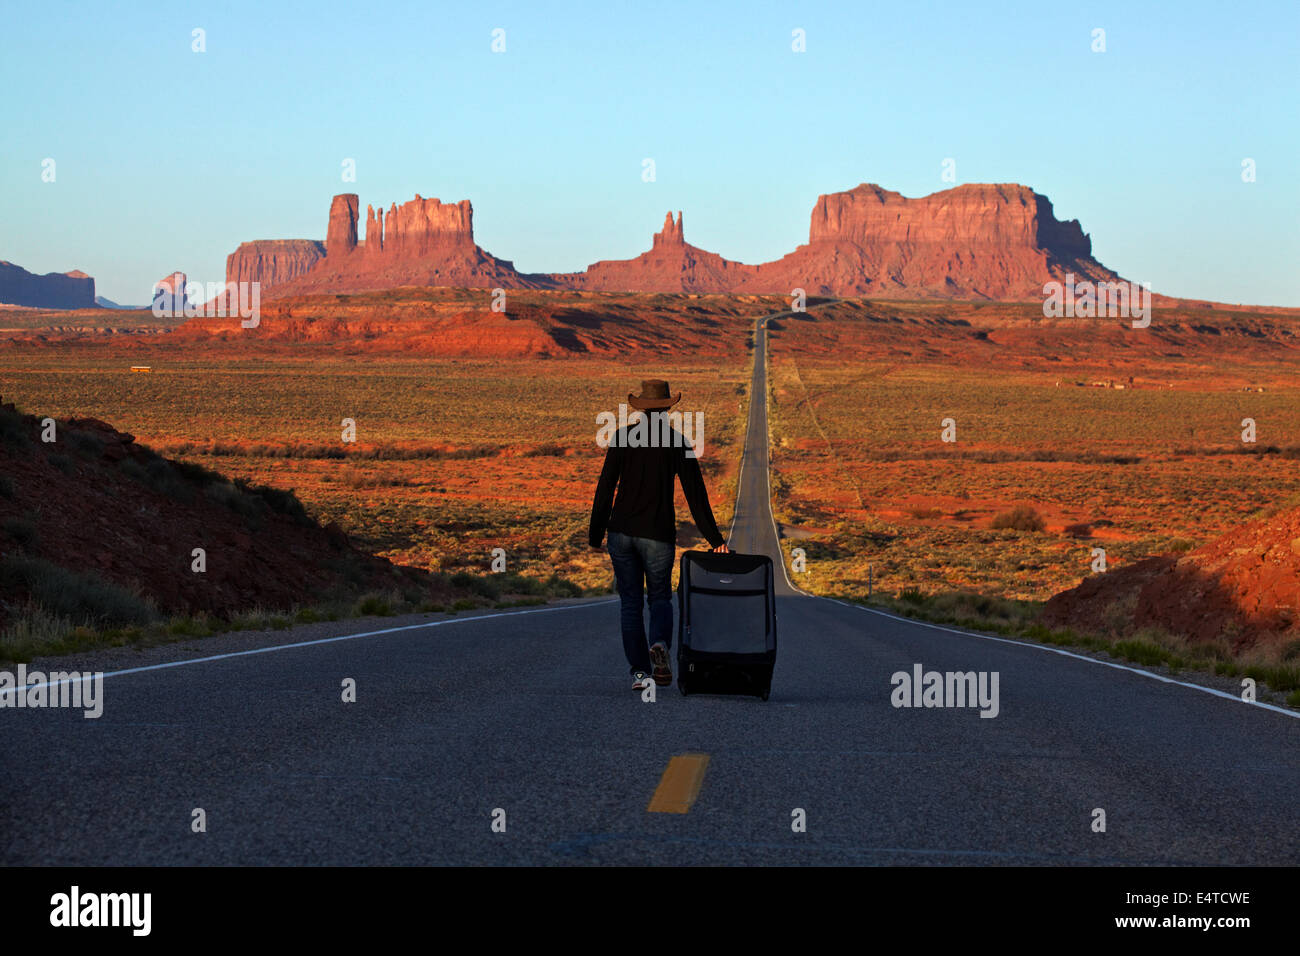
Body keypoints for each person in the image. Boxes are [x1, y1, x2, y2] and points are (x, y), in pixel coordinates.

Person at [589, 380, 729, 692]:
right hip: (657, 535)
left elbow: (605, 488)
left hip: (621, 533)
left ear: (640, 407)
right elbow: (696, 495)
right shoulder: (678, 442)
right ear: (667, 408)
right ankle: (659, 643)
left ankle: (640, 674)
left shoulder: (622, 438)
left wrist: (596, 534)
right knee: (660, 597)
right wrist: (715, 539)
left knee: (630, 603)